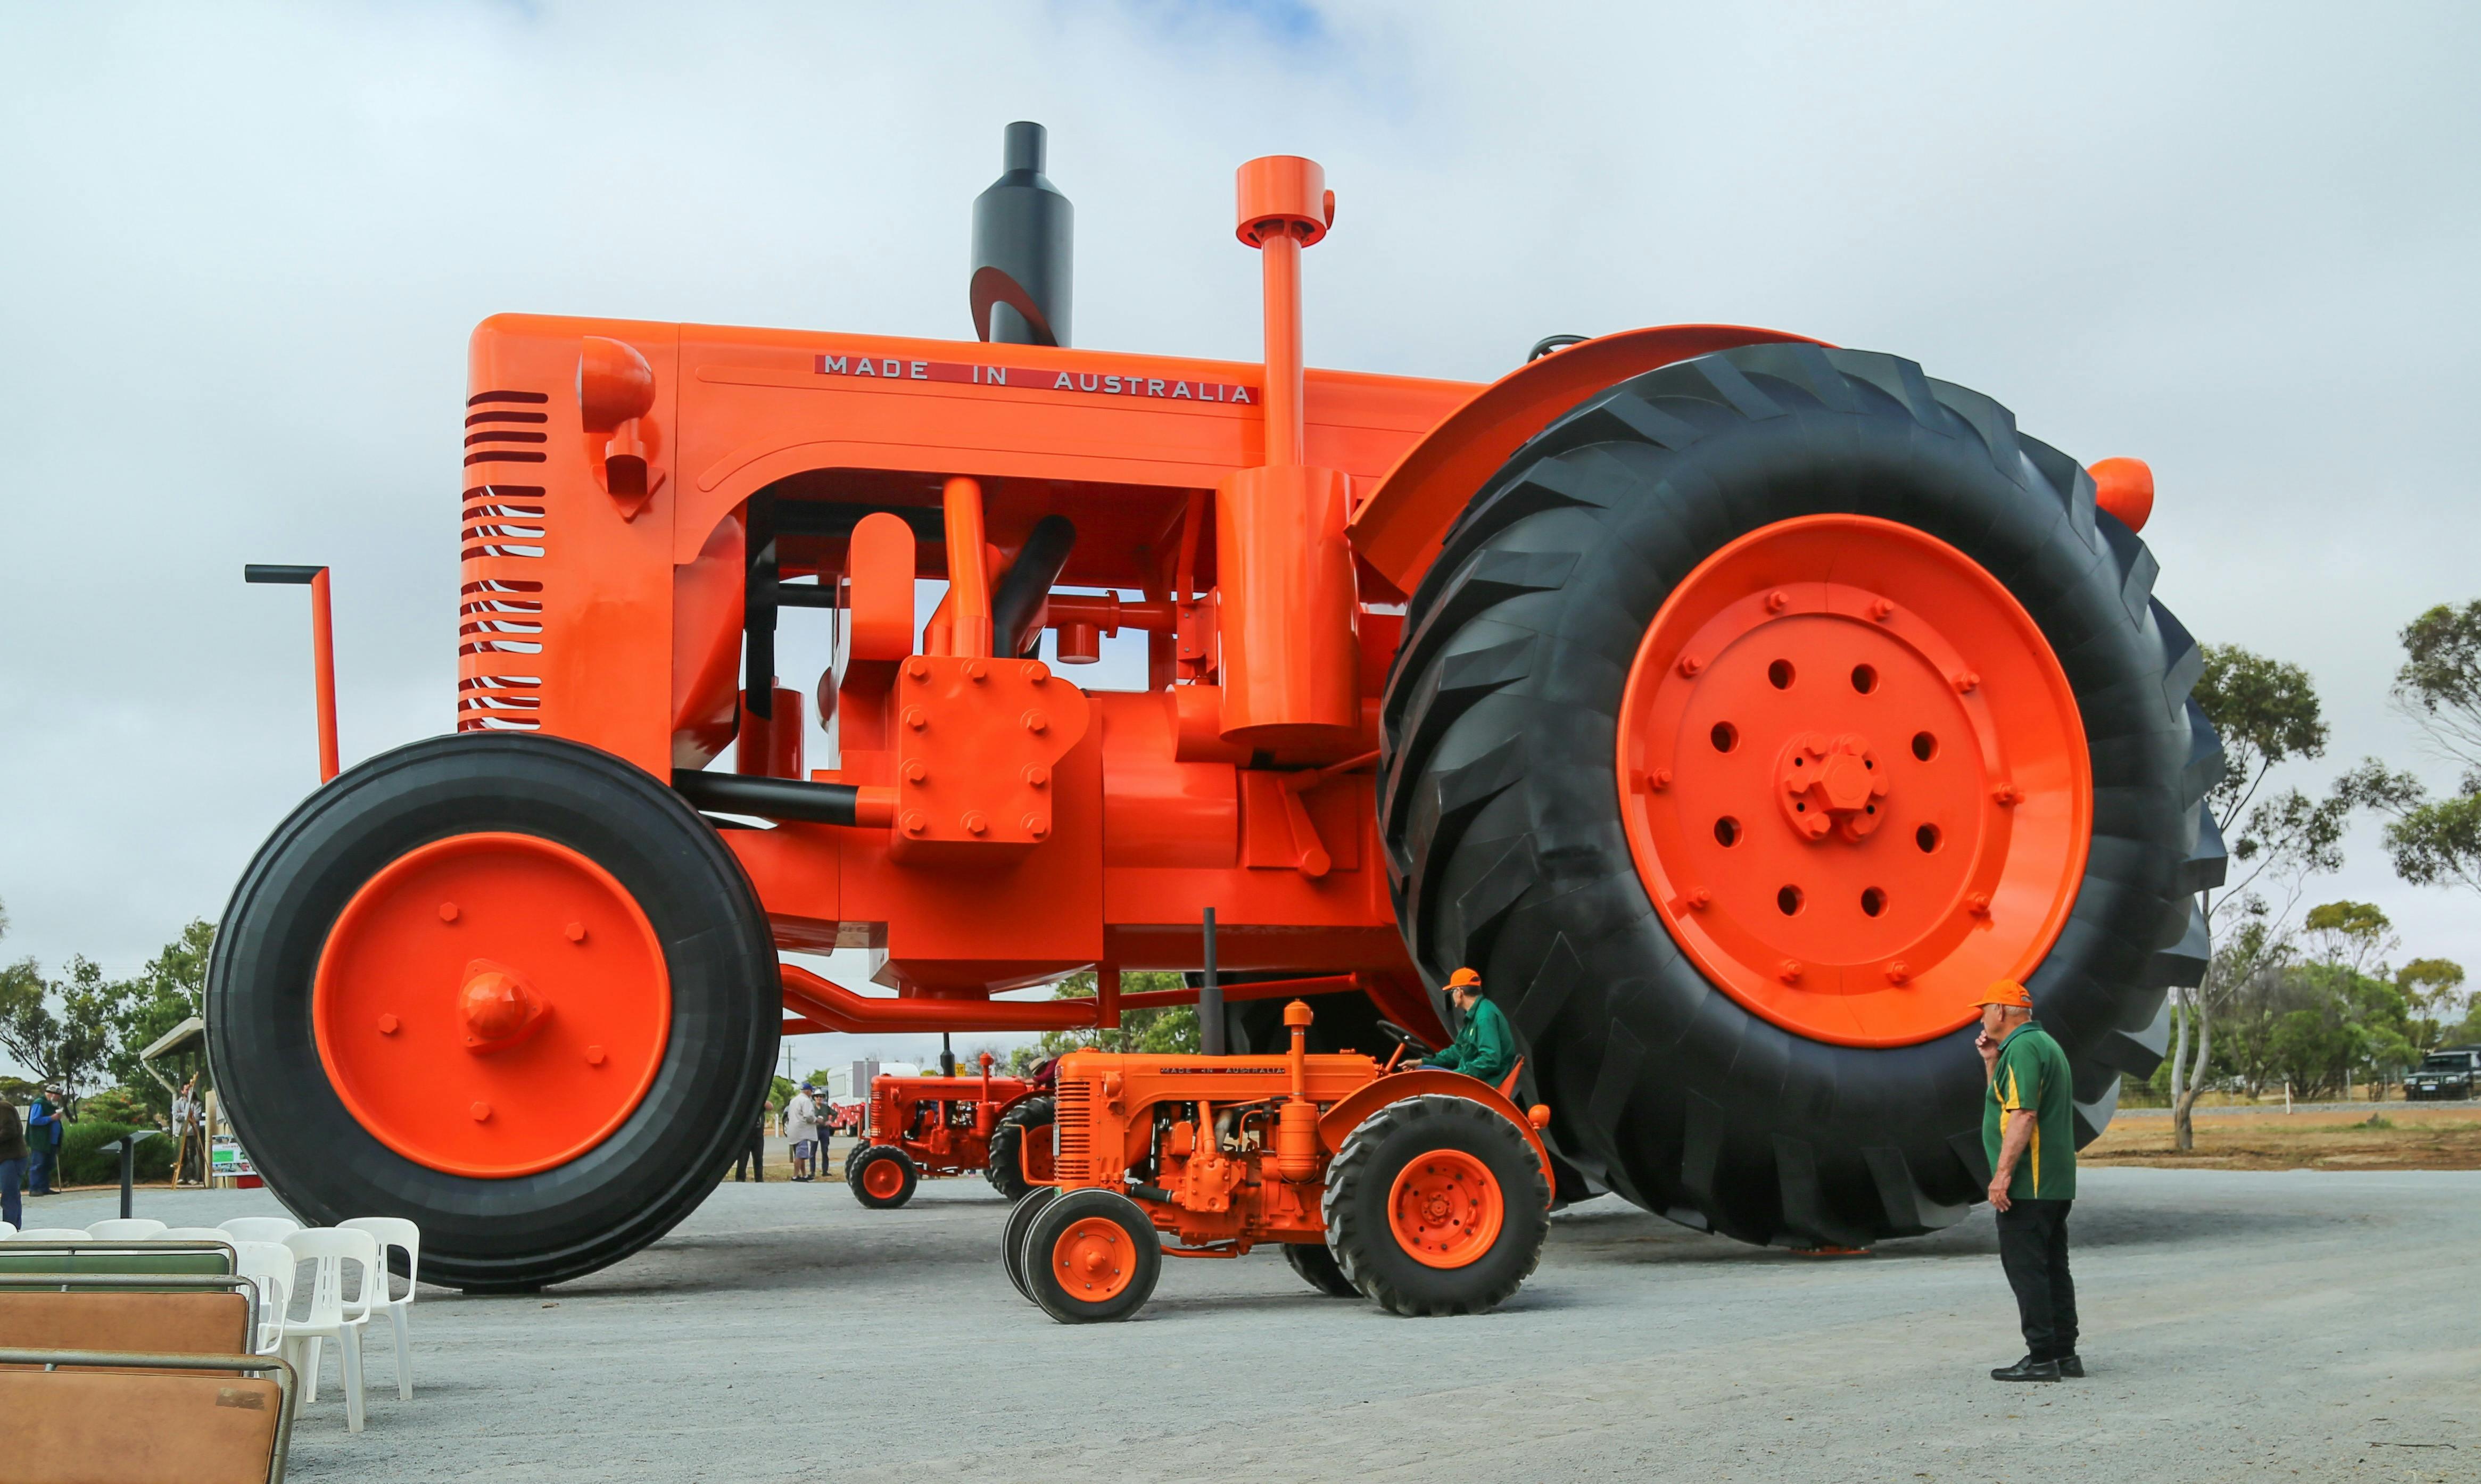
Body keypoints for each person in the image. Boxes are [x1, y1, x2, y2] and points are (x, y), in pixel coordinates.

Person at [1976, 980, 2081, 1382]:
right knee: (2053, 1267)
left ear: (2001, 1011)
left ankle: (2041, 1358)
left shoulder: (2022, 1049)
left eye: (1984, 1010)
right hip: (2053, 1182)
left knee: (2027, 1269)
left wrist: (2002, 1175)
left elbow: (2023, 1114)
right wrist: (1991, 1061)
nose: (1982, 1018)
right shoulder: (2042, 1044)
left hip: (2028, 1183)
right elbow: (2004, 1102)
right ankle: (2064, 1354)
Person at [1421, 967, 1515, 1084]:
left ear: (1459, 992)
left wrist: (1458, 1075)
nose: (1452, 995)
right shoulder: (1476, 1015)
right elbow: (1459, 1051)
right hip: (1478, 1080)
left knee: (1430, 1085)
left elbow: (1490, 1060)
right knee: (1427, 1078)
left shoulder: (1485, 1016)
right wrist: (1423, 1062)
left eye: (1452, 991)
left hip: (1489, 1083)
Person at [26, 1087, 64, 1196]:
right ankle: (34, 1188)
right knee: (38, 1164)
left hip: (52, 1141)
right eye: (58, 1096)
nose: (58, 1099)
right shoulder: (39, 1104)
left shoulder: (51, 1106)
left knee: (48, 1165)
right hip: (41, 1141)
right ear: (52, 1094)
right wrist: (51, 1118)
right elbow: (34, 1120)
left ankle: (44, 1188)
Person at [785, 1082, 821, 1182]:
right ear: (808, 1091)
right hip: (802, 1132)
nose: (811, 1093)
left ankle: (804, 1175)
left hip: (794, 1130)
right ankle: (795, 1176)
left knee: (801, 1154)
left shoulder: (794, 1100)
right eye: (811, 1091)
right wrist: (817, 1120)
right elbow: (808, 1116)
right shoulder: (806, 1101)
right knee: (800, 1155)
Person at [0, 1095, 26, 1230]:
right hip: (6, 1159)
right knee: (11, 1195)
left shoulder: (4, 1107)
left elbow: (10, 1131)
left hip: (11, 1158)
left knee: (9, 1196)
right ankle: (13, 1228)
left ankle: (10, 1229)